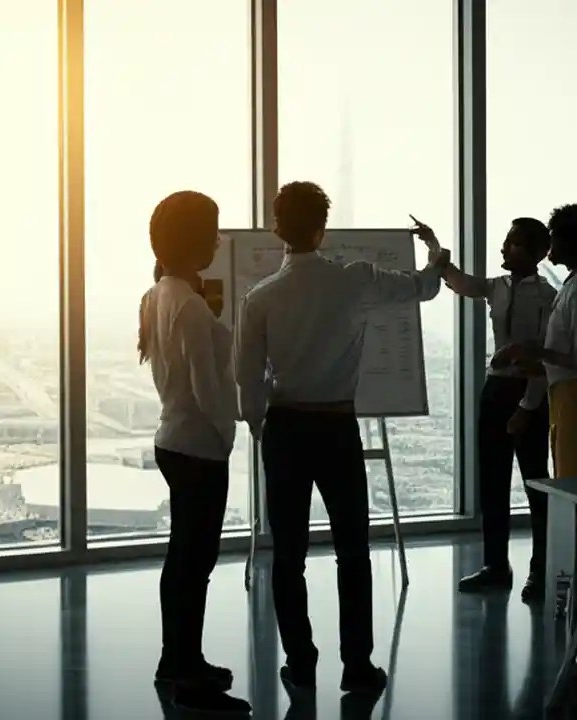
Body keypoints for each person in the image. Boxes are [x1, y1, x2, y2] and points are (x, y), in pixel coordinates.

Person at [234, 181, 448, 696]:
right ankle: (357, 665)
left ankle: (300, 663)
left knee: (288, 554)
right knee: (353, 550)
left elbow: (247, 379)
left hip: (285, 429)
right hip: (337, 428)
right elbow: (424, 288)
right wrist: (436, 255)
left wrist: (260, 424)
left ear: (278, 228)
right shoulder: (355, 280)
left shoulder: (259, 298)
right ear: (321, 229)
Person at [139, 191, 251, 716]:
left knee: (182, 559)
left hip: (173, 439)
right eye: (212, 232)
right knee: (195, 562)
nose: (218, 241)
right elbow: (209, 391)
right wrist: (231, 432)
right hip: (199, 446)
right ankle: (187, 675)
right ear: (193, 240)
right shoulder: (188, 304)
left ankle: (178, 660)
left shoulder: (158, 294)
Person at [411, 216, 558, 601]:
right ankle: (496, 566)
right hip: (496, 390)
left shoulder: (548, 296)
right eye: (506, 241)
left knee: (536, 482)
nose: (504, 248)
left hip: (530, 391)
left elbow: (545, 359)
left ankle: (540, 570)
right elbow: (459, 280)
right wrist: (433, 244)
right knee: (491, 481)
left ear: (537, 253)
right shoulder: (497, 286)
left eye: (513, 243)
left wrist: (529, 405)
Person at [501, 204, 577, 479]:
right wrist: (540, 364)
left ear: (573, 241)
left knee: (575, 482)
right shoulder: (574, 285)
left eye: (555, 235)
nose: (549, 241)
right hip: (569, 395)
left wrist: (537, 352)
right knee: (569, 477)